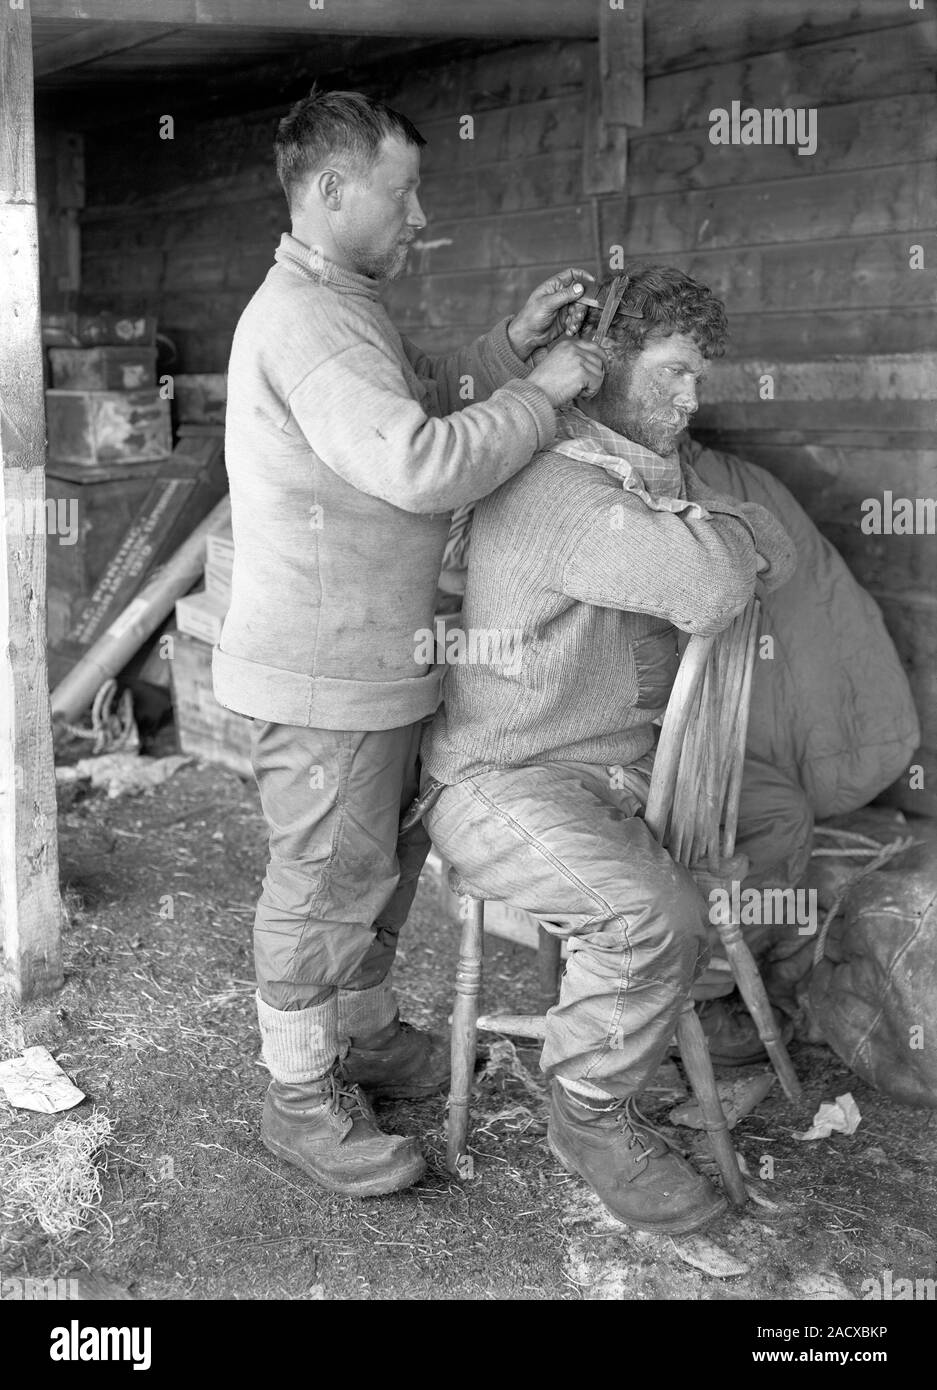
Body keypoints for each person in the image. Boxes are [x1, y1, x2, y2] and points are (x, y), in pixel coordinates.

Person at [211, 88, 606, 1198]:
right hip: (326, 670)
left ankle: (367, 1034)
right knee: (323, 884)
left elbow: (418, 390)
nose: (418, 214)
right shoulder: (302, 319)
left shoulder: (344, 305)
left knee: (378, 868)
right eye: (402, 190)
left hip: (373, 660)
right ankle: (297, 1099)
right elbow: (419, 459)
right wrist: (541, 393)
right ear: (333, 191)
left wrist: (502, 348)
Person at [421, 264, 810, 1235]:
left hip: (607, 770)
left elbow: (780, 546)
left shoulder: (633, 473)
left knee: (778, 814)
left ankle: (682, 997)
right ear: (608, 371)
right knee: (651, 911)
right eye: (674, 373)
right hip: (502, 777)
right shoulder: (567, 482)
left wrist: (704, 525)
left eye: (698, 379)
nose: (690, 399)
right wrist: (710, 532)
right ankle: (589, 1114)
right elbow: (724, 584)